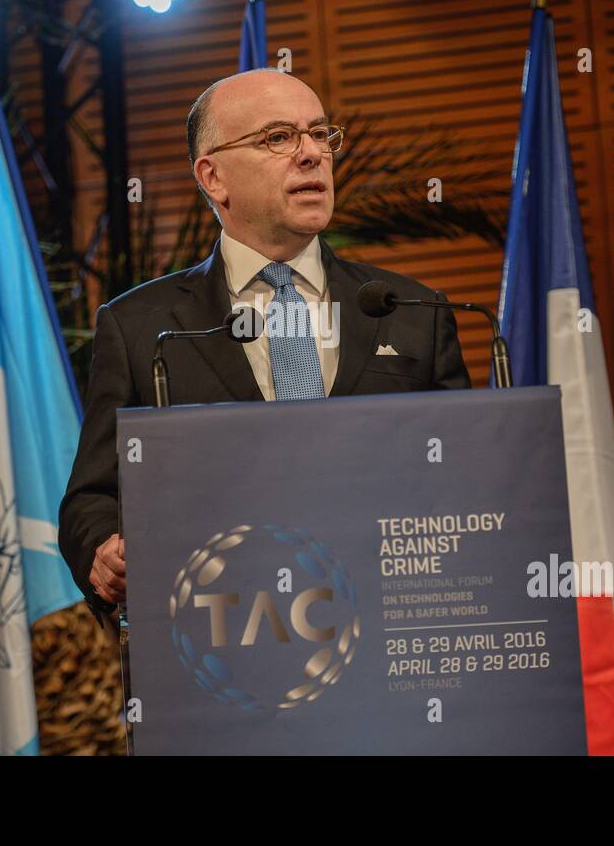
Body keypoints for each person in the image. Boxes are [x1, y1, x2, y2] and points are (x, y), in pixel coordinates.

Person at [58, 68, 471, 626]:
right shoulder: (140, 326)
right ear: (213, 176)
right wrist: (103, 551)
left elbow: (465, 482)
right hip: (221, 637)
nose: (311, 155)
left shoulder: (412, 313)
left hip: (392, 629)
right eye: (277, 138)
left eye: (320, 134)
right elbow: (92, 496)